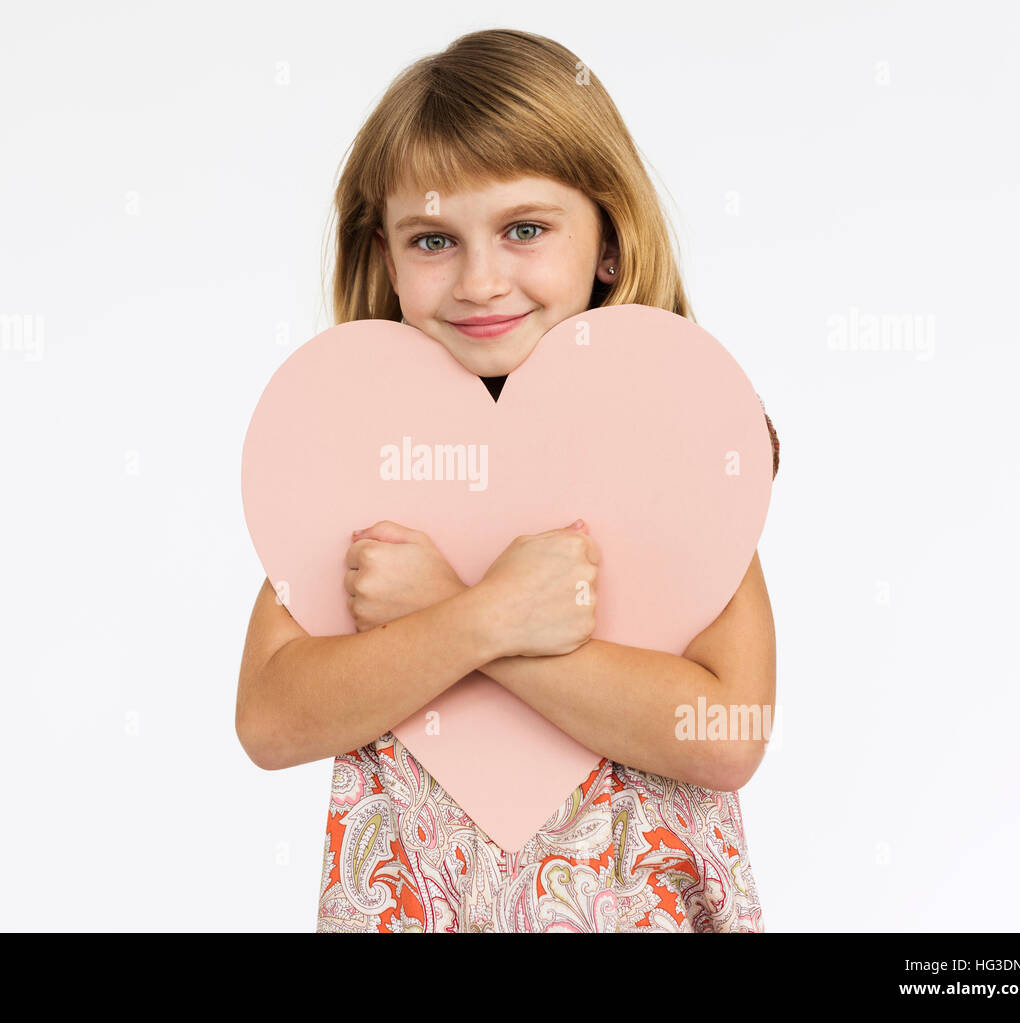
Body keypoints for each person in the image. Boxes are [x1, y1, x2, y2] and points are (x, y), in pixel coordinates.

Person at [236, 28, 779, 932]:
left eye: (525, 229)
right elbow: (269, 718)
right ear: (386, 257)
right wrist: (485, 615)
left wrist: (453, 605)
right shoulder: (360, 467)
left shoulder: (679, 453)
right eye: (434, 238)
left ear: (608, 239)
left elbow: (727, 734)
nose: (482, 280)